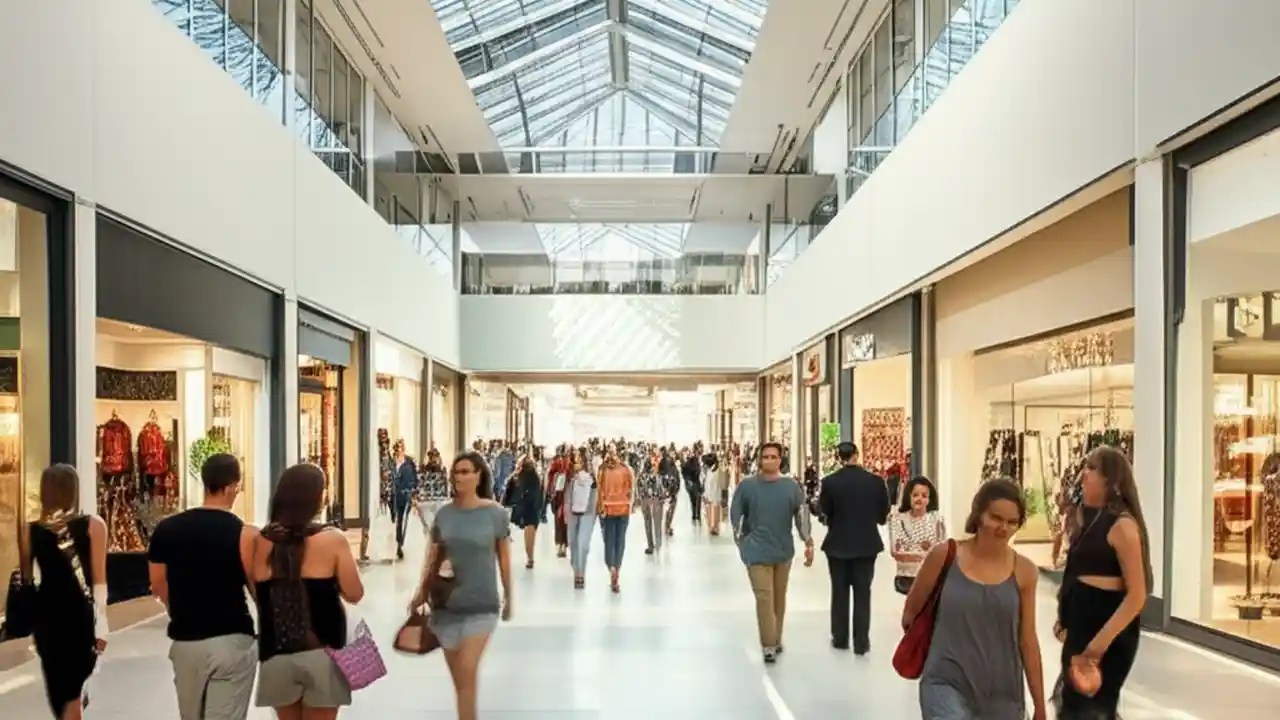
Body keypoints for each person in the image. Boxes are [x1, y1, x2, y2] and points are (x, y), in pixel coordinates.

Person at [904, 479, 1046, 720]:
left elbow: (1028, 640)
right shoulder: (944, 556)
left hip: (1003, 693)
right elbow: (910, 614)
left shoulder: (1024, 571)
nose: (1003, 528)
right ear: (979, 514)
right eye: (996, 518)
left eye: (1012, 522)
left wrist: (1040, 706)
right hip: (945, 683)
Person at [250, 464, 365, 719]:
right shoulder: (332, 539)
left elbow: (259, 592)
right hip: (323, 652)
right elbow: (355, 593)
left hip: (275, 652)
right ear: (316, 497)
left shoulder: (261, 540)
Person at [148, 453, 257, 720]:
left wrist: (177, 609)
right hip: (232, 639)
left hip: (186, 642)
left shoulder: (166, 529)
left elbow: (157, 583)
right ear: (233, 487)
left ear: (205, 483)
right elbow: (257, 590)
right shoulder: (244, 533)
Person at [408, 452, 512, 720]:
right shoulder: (444, 515)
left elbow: (504, 558)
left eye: (466, 471)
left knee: (467, 671)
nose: (460, 477)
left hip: (483, 606)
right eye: (456, 472)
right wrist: (420, 593)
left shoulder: (495, 514)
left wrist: (509, 596)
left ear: (479, 475)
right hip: (446, 607)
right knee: (461, 684)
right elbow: (432, 558)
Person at [1056, 446, 1151, 719]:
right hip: (1081, 628)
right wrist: (1065, 616)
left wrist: (1098, 645)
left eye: (1093, 468)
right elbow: (1075, 571)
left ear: (1112, 479)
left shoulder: (1123, 526)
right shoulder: (1087, 518)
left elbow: (1137, 595)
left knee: (1092, 708)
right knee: (1074, 705)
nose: (1084, 474)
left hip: (1106, 633)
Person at [17, 464, 108, 719]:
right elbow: (99, 582)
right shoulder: (93, 526)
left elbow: (26, 580)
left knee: (61, 692)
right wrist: (103, 624)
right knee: (73, 693)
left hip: (46, 617)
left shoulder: (30, 531)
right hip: (79, 614)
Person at [729, 442, 813, 664]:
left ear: (780, 460)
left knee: (778, 597)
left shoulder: (791, 487)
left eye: (774, 456)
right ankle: (768, 644)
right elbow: (735, 513)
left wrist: (808, 540)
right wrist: (741, 541)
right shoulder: (747, 487)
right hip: (756, 550)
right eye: (765, 457)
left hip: (783, 551)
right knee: (764, 597)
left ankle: (776, 638)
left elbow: (801, 514)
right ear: (759, 460)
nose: (769, 460)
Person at [818, 441, 890, 653]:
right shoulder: (876, 482)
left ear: (838, 457)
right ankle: (861, 641)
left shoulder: (830, 482)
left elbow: (825, 512)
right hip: (867, 544)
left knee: (839, 593)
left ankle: (840, 638)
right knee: (863, 592)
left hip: (837, 543)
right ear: (857, 455)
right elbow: (882, 515)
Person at [889, 476, 947, 596]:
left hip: (930, 577)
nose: (919, 499)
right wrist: (925, 551)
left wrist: (911, 548)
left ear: (929, 499)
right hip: (906, 578)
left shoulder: (937, 520)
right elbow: (897, 552)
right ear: (908, 496)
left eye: (924, 496)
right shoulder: (898, 519)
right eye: (915, 495)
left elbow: (941, 551)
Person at [596, 448, 634, 593]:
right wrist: (630, 505)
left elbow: (599, 491)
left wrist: (599, 508)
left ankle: (611, 566)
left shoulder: (602, 470)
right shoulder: (626, 470)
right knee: (620, 541)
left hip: (607, 509)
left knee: (608, 541)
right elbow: (631, 489)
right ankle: (617, 568)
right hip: (623, 508)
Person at [564, 451, 597, 589]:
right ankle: (576, 567)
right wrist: (566, 510)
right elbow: (566, 494)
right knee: (573, 543)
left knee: (583, 544)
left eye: (579, 460)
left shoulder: (593, 479)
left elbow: (595, 497)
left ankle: (580, 575)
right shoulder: (571, 477)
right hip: (573, 513)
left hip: (587, 513)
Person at [508, 458, 544, 569]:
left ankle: (529, 557)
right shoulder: (535, 477)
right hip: (533, 508)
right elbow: (540, 494)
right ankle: (530, 557)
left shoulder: (517, 476)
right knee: (530, 534)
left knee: (527, 534)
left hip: (523, 507)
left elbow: (508, 492)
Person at [392, 440, 418, 560]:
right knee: (398, 519)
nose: (399, 451)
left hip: (407, 493)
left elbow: (415, 478)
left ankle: (401, 543)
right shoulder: (392, 463)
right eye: (397, 448)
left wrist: (414, 494)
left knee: (404, 519)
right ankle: (399, 543)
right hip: (396, 494)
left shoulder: (409, 462)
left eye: (400, 448)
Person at [546, 446, 571, 558]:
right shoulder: (557, 463)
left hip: (564, 496)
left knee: (562, 521)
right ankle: (562, 545)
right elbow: (550, 476)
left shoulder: (567, 463)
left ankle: (563, 545)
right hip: (560, 496)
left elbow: (550, 477)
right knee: (561, 521)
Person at [639, 452, 664, 555]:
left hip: (645, 502)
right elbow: (661, 489)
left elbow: (639, 490)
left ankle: (650, 545)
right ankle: (658, 543)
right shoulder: (657, 476)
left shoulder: (641, 476)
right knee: (657, 523)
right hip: (656, 501)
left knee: (647, 523)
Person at [681, 448, 703, 525]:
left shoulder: (686, 463)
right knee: (698, 499)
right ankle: (698, 515)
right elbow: (698, 473)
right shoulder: (696, 462)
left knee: (692, 500)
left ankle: (694, 514)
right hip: (695, 483)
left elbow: (683, 474)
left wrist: (688, 481)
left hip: (689, 484)